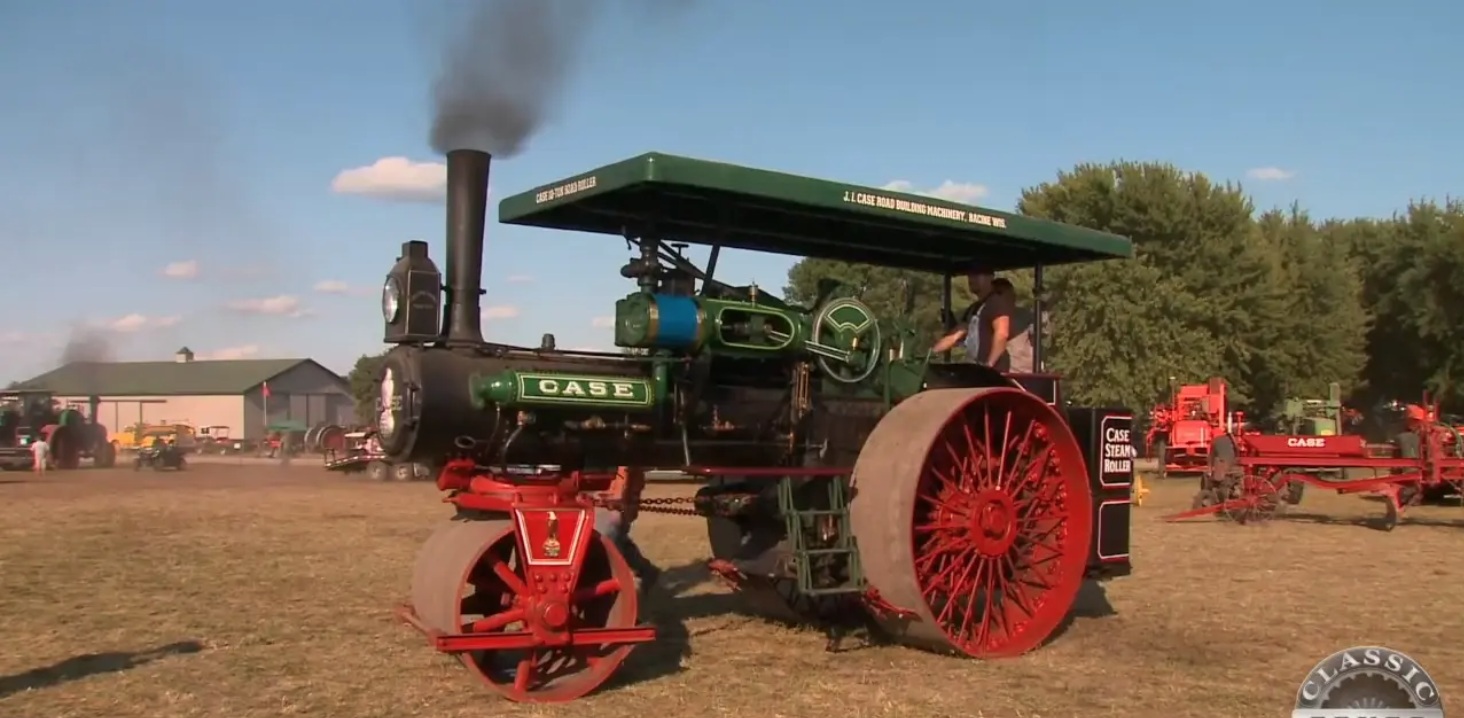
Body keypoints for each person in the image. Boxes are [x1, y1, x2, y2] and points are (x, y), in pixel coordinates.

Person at [595, 466, 662, 595]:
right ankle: (646, 571)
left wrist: (617, 503)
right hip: (613, 498)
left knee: (609, 540)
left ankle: (615, 586)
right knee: (618, 539)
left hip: (617, 501)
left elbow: (624, 473)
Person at [932, 265, 1013, 369]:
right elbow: (954, 336)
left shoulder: (997, 303)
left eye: (977, 275)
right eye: (970, 275)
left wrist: (989, 365)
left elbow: (1002, 334)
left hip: (994, 373)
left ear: (990, 277)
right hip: (977, 369)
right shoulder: (974, 308)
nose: (971, 279)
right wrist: (931, 353)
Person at [992, 278, 1036, 373]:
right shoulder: (988, 316)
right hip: (999, 373)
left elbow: (1035, 342)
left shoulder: (1025, 316)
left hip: (1024, 373)